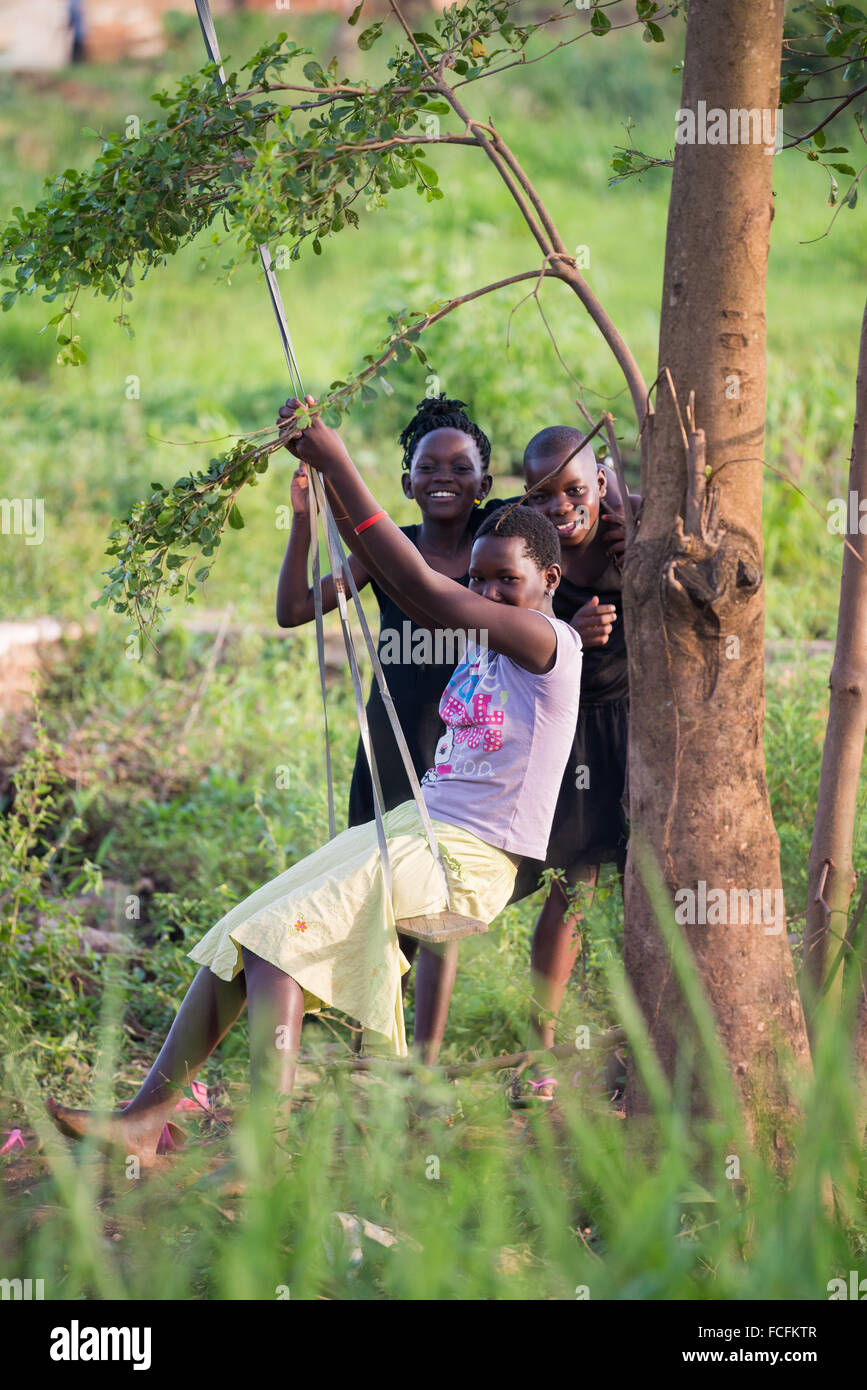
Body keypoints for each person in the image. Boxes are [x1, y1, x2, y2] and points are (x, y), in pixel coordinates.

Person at [46, 399, 583, 1168]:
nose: (488, 593)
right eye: (481, 580)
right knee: (244, 928)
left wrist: (337, 464)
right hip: (416, 824)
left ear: (548, 580)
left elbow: (429, 594)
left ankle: (264, 1157)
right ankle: (145, 1116)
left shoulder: (543, 640)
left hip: (468, 857)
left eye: (506, 581)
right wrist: (317, 505)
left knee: (280, 946)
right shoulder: (487, 636)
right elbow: (356, 597)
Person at [275, 394, 493, 1058]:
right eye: (429, 467)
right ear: (406, 483)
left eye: (461, 468)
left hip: (461, 751)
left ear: (484, 484)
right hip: (392, 744)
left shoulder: (496, 543)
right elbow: (293, 610)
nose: (444, 479)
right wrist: (305, 523)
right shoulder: (388, 550)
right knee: (376, 893)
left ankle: (421, 1060)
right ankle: (374, 1042)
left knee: (438, 903)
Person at [510, 425, 639, 1104]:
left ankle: (641, 1046)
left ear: (599, 484)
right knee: (573, 890)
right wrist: (571, 641)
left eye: (574, 489)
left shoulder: (635, 526)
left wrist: (642, 550)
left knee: (646, 888)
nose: (561, 506)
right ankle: (540, 1052)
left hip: (641, 731)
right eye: (543, 495)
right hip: (572, 737)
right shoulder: (527, 558)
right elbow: (510, 645)